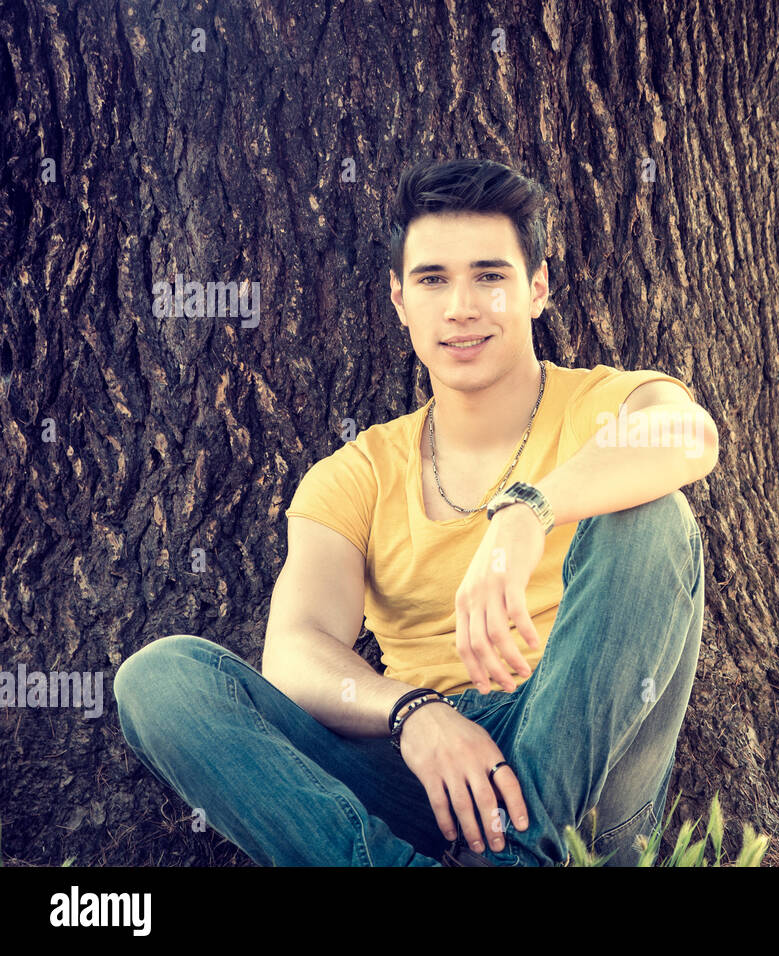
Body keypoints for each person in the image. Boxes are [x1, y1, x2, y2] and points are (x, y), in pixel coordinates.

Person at [114, 157, 718, 867]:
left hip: (582, 764)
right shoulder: (358, 473)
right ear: (400, 299)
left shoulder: (602, 403)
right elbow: (295, 655)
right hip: (421, 770)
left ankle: (514, 859)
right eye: (433, 280)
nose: (462, 306)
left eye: (490, 276)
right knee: (160, 678)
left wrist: (527, 510)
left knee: (653, 517)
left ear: (537, 290)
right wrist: (412, 714)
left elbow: (688, 435)